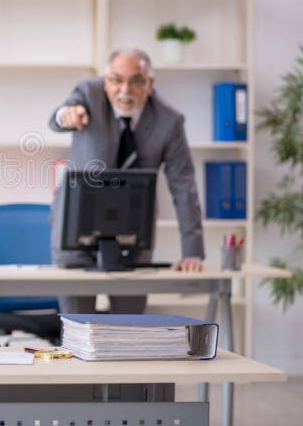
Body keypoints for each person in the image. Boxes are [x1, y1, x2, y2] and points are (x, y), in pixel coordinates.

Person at [48, 48, 205, 314]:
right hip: (76, 232)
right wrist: (66, 114)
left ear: (150, 83)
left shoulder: (169, 122)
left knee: (129, 327)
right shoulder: (88, 94)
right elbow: (58, 118)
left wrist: (192, 252)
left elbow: (184, 186)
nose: (125, 90)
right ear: (105, 80)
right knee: (76, 327)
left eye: (136, 81)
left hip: (134, 236)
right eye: (116, 80)